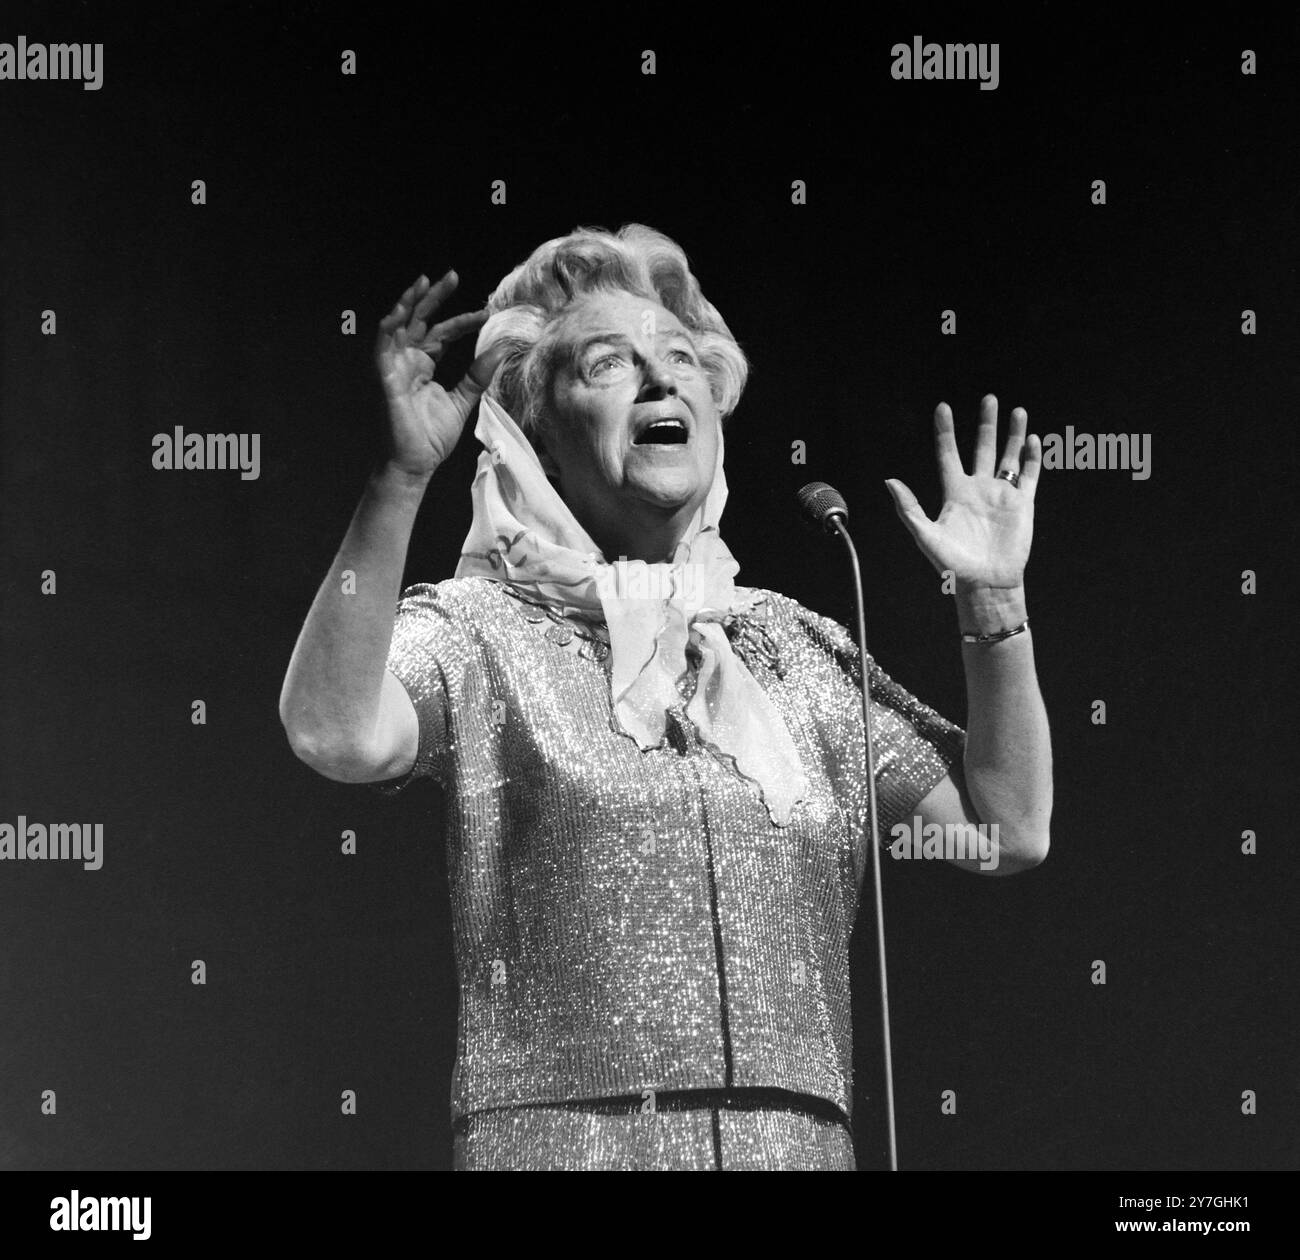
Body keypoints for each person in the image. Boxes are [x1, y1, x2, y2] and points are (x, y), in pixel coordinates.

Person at [278, 224, 1053, 1170]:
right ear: (541, 437)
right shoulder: (483, 630)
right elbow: (335, 730)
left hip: (794, 1148)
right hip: (564, 1146)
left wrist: (995, 597)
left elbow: (1004, 829)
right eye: (608, 364)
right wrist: (399, 480)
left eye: (680, 359)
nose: (659, 380)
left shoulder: (791, 648)